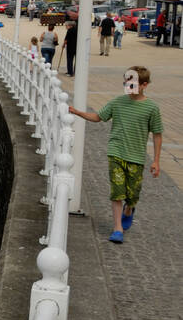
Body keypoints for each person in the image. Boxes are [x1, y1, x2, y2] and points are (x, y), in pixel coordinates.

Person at [68, 65, 163, 243]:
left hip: (136, 157)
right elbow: (99, 117)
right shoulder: (117, 102)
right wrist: (77, 112)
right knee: (117, 192)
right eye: (126, 83)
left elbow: (157, 135)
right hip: (116, 153)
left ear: (144, 85)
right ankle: (117, 228)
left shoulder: (152, 108)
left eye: (132, 84)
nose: (128, 87)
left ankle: (129, 209)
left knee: (133, 194)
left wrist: (156, 161)